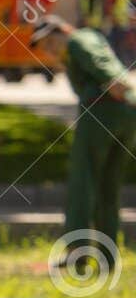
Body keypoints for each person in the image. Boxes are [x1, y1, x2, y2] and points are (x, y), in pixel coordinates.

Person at [32, 15, 136, 269]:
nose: (49, 50)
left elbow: (98, 61)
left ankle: (77, 253)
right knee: (108, 187)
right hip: (128, 112)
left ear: (63, 30)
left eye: (50, 42)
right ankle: (108, 258)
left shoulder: (78, 40)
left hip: (101, 110)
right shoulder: (91, 37)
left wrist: (113, 79)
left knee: (83, 181)